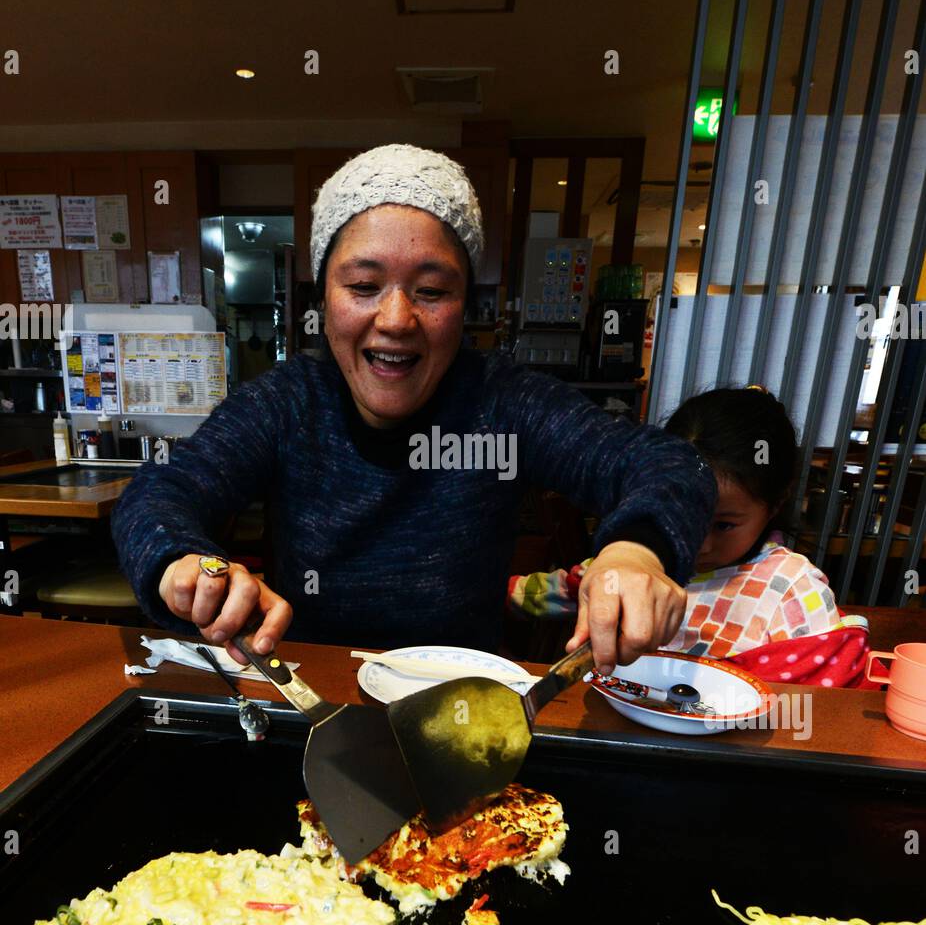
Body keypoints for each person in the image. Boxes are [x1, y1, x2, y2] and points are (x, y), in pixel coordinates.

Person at [112, 144, 716, 674]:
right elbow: (161, 491)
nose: (397, 320)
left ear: (464, 304)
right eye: (364, 286)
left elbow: (670, 464)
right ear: (324, 297)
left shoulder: (504, 402)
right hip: (314, 698)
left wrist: (635, 553)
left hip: (461, 704)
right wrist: (183, 564)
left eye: (431, 291)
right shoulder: (288, 401)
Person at [512, 387, 869, 680]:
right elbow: (561, 589)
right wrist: (496, 589)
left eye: (723, 524)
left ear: (774, 505)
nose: (700, 542)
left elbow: (827, 699)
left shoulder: (791, 589)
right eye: (688, 516)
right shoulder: (633, 565)